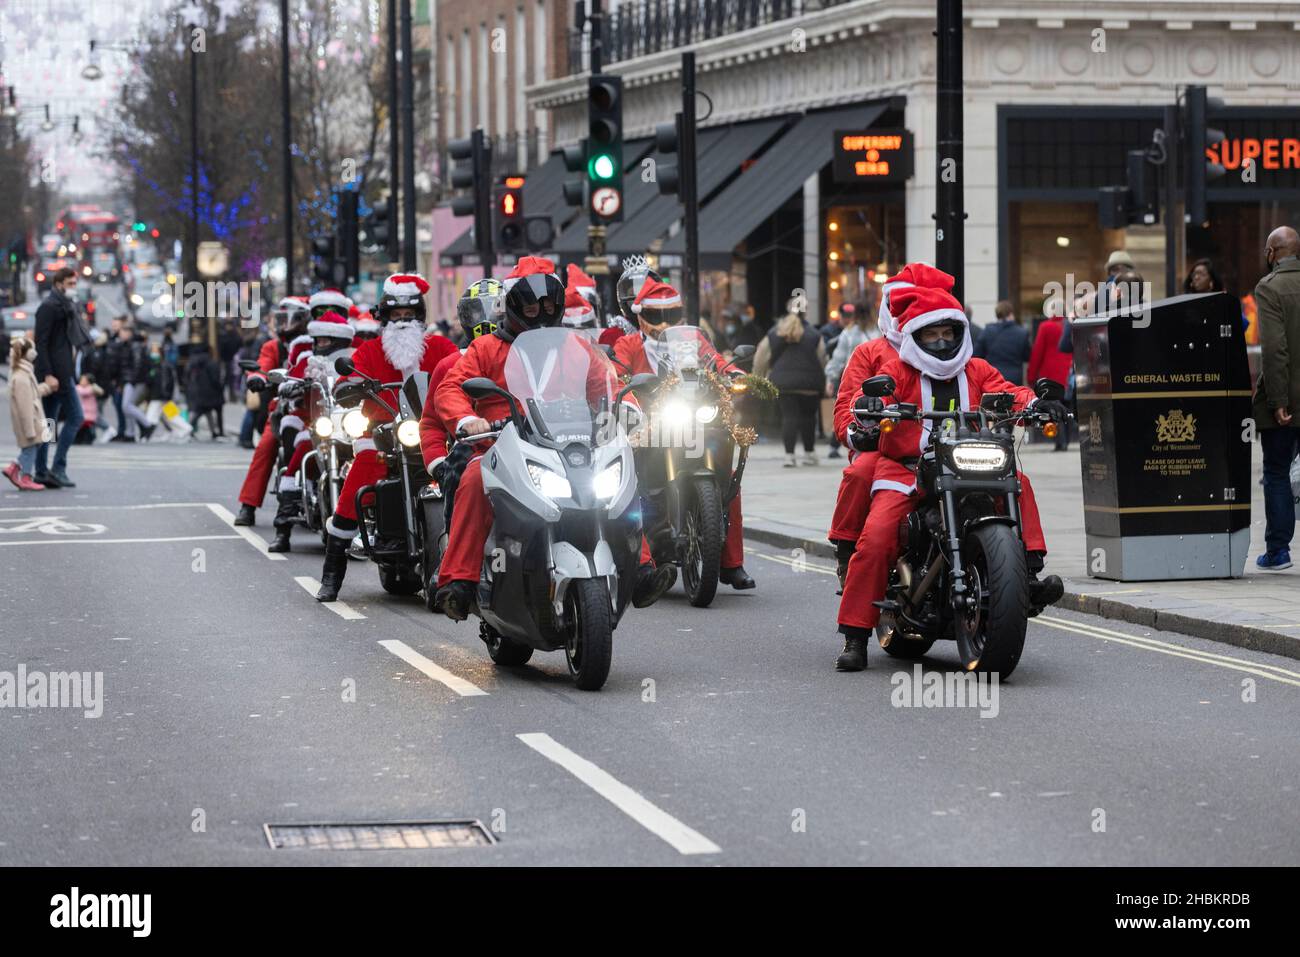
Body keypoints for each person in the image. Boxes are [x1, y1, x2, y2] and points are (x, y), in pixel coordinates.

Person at [431, 257, 678, 619]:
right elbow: (450, 388)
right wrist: (468, 420)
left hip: (571, 443)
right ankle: (458, 581)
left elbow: (607, 384)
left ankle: (640, 569)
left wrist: (627, 408)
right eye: (531, 304)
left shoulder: (577, 346)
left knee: (619, 476)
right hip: (502, 443)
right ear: (514, 306)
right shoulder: (486, 349)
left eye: (547, 304)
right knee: (471, 477)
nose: (540, 311)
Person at [833, 284, 1062, 672]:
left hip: (963, 462)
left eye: (948, 333)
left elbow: (1007, 392)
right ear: (916, 335)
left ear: (960, 333)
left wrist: (1038, 405)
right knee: (876, 537)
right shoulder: (896, 370)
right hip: (905, 467)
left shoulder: (976, 369)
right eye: (931, 334)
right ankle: (854, 636)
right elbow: (870, 403)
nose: (941, 342)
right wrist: (871, 409)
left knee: (1019, 483)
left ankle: (1028, 572)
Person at [315, 273, 458, 601]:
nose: (403, 322)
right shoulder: (370, 351)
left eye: (409, 315)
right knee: (361, 472)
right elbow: (346, 380)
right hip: (382, 435)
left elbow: (460, 368)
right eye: (396, 316)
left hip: (432, 432)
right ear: (385, 318)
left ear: (420, 315)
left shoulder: (438, 347)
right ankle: (332, 571)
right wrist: (347, 387)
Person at [614, 277, 756, 591]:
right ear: (640, 316)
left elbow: (715, 361)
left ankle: (732, 563)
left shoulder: (693, 340)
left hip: (695, 418)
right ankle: (643, 561)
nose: (664, 323)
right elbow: (618, 376)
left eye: (671, 314)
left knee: (728, 477)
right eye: (655, 316)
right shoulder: (628, 344)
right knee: (632, 484)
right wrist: (629, 398)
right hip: (650, 427)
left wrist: (733, 373)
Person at [827, 263, 951, 589]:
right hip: (888, 449)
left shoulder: (950, 347)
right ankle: (847, 548)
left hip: (946, 446)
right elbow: (846, 408)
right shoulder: (869, 352)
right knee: (859, 473)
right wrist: (857, 433)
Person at [266, 311, 356, 553]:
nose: (321, 345)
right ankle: (282, 529)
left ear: (340, 340)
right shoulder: (308, 361)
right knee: (301, 454)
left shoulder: (354, 361)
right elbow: (289, 382)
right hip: (317, 424)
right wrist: (290, 386)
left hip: (348, 424)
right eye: (319, 340)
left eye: (326, 341)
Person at [233, 296, 310, 526]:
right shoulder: (273, 346)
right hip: (284, 410)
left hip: (315, 410)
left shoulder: (316, 342)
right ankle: (248, 506)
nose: (285, 324)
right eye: (281, 319)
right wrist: (256, 378)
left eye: (291, 319)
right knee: (265, 447)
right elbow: (263, 366)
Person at [1251, 226, 1300, 570]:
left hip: (1289, 401)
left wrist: (1278, 399)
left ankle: (1278, 551)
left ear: (1272, 252)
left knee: (1277, 472)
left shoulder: (1270, 288)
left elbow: (1275, 349)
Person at [31, 267, 90, 488]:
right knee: (76, 417)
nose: (74, 287)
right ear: (58, 284)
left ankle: (41, 470)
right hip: (56, 374)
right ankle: (57, 468)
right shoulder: (48, 307)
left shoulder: (67, 307)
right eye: (71, 283)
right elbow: (41, 342)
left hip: (61, 371)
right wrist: (47, 374)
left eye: (75, 283)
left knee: (49, 424)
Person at [755, 301, 826, 467]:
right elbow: (822, 358)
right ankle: (809, 453)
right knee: (809, 418)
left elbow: (761, 357)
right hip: (810, 383)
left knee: (789, 417)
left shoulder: (774, 333)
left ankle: (789, 456)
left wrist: (759, 377)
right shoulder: (814, 334)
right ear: (806, 312)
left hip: (783, 383)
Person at [4, 335, 59, 491]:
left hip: (34, 418)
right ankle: (17, 469)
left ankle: (25, 475)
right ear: (28, 353)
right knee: (31, 448)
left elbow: (32, 393)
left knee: (32, 447)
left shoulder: (24, 372)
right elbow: (24, 406)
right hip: (31, 420)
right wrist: (29, 429)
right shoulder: (21, 377)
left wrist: (47, 387)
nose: (35, 353)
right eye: (32, 349)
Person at [1027, 303, 1074, 450]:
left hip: (1050, 374)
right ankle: (1066, 439)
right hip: (1068, 372)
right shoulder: (1070, 325)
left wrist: (1031, 376)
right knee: (1067, 406)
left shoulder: (1046, 327)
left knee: (1053, 408)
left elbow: (1038, 352)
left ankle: (1059, 441)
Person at [974, 300, 1031, 385]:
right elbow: (1027, 356)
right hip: (1014, 378)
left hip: (993, 377)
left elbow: (976, 355)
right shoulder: (1022, 333)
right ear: (1011, 314)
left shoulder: (987, 331)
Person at [185, 343, 225, 439]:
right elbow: (215, 379)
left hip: (198, 390)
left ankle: (214, 432)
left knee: (204, 411)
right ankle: (186, 429)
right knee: (205, 412)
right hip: (212, 392)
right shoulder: (211, 362)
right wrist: (220, 387)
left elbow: (187, 375)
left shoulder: (195, 362)